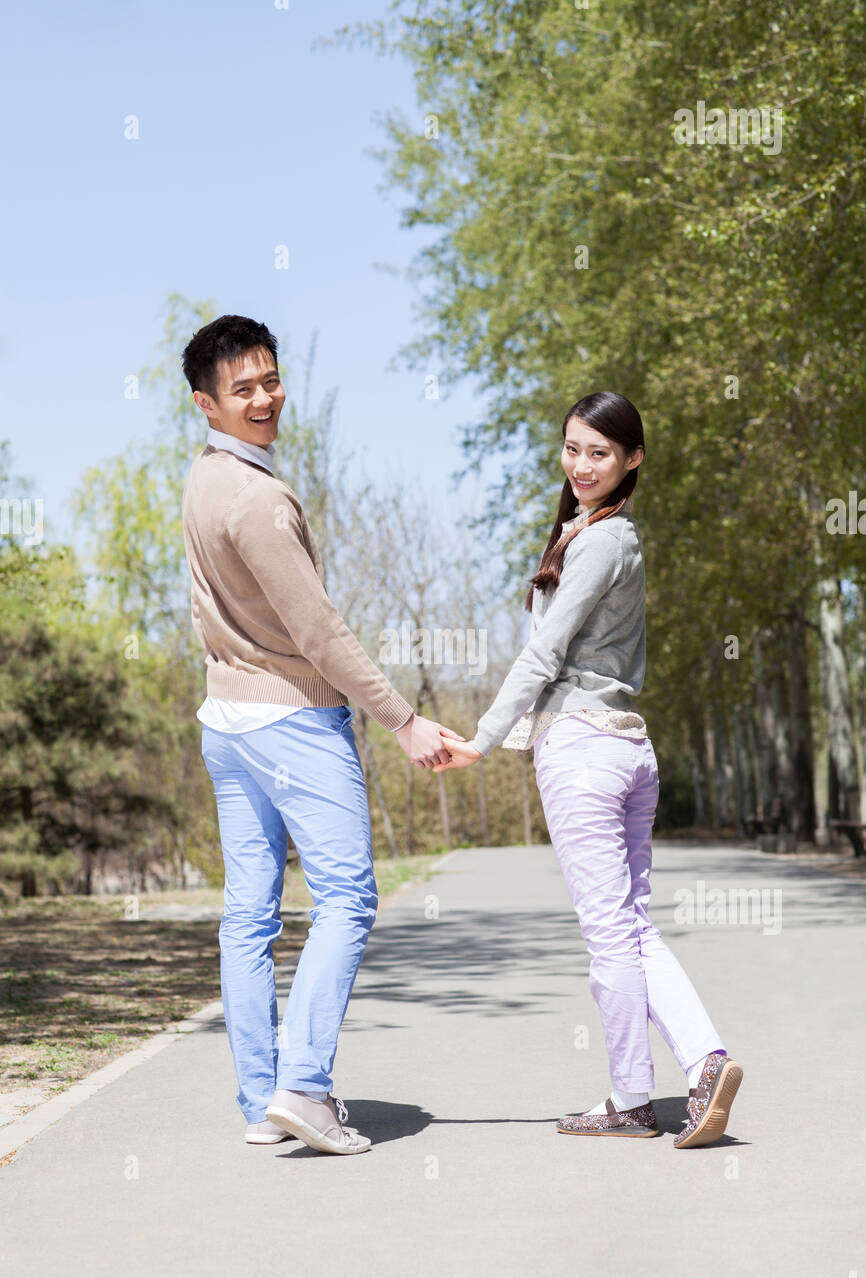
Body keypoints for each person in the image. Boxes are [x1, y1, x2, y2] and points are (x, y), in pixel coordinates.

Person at [180, 314, 461, 1154]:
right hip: (292, 721)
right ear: (207, 404)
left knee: (247, 916)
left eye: (270, 380)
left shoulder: (202, 480)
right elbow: (320, 634)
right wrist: (404, 720)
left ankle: (261, 1101)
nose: (264, 398)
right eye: (244, 389)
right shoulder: (259, 500)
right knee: (346, 898)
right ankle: (303, 1087)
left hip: (225, 724)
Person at [436, 392, 743, 1147]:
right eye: (573, 448)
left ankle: (638, 1097)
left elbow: (544, 655)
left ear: (632, 459)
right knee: (630, 925)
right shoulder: (602, 534)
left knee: (609, 934)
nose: (581, 464)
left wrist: (482, 738)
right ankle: (700, 1062)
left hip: (581, 748)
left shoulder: (600, 543)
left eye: (599, 452)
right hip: (627, 746)